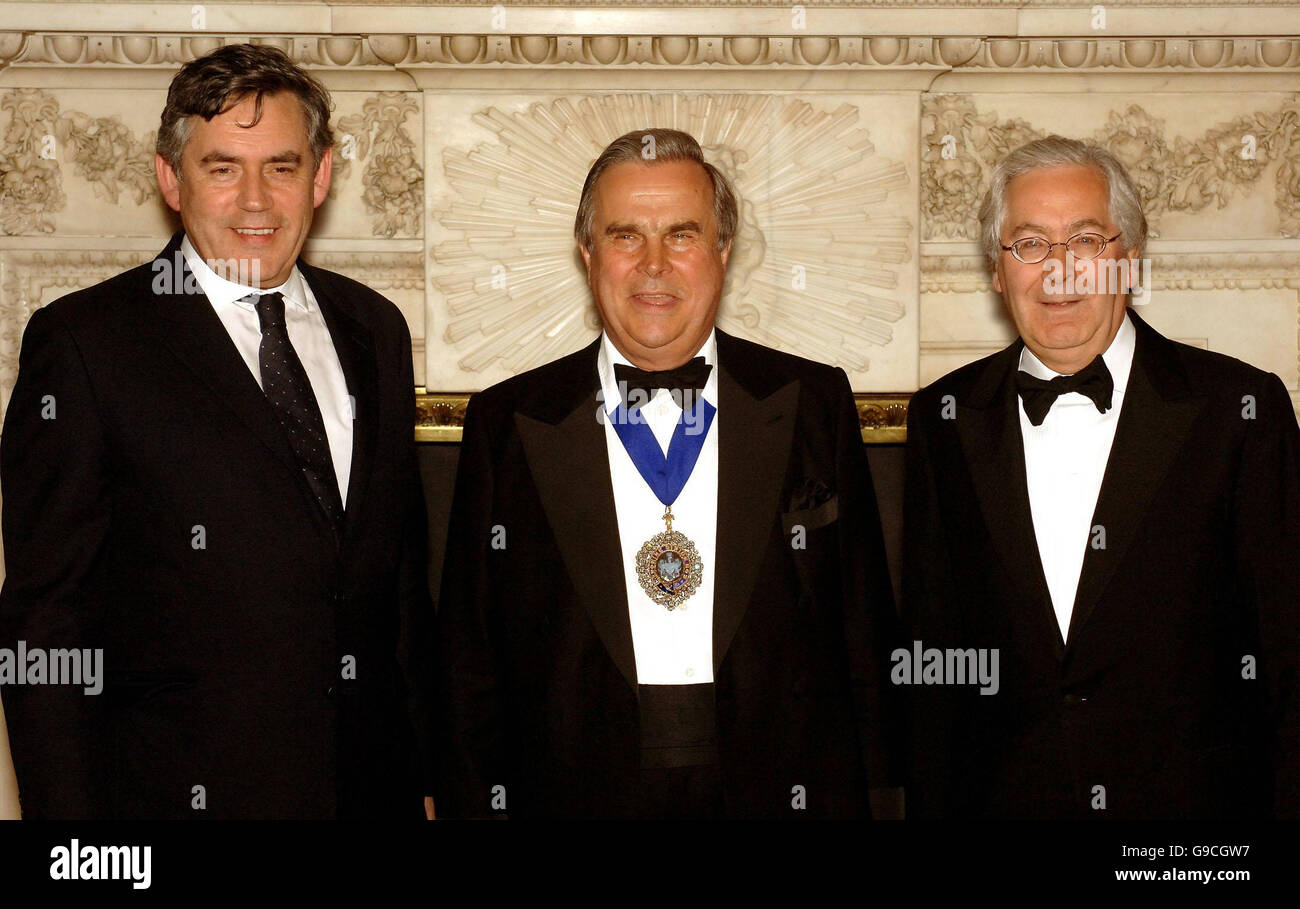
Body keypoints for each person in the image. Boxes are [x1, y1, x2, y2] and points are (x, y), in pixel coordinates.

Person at [0, 43, 433, 818]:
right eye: (223, 168)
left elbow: (398, 587)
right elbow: (47, 627)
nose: (256, 200)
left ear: (323, 174)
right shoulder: (88, 344)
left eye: (283, 166)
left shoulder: (376, 330)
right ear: (171, 179)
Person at [436, 128, 901, 819]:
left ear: (723, 251)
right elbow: (468, 664)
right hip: (571, 791)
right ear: (588, 253)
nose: (654, 265)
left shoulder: (813, 402)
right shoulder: (507, 422)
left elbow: (864, 635)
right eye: (626, 236)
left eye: (682, 235)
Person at [903, 136, 1299, 819]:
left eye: (1085, 240)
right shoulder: (943, 418)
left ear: (1129, 261)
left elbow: (1290, 660)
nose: (1058, 272)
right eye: (1030, 243)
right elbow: (936, 667)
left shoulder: (1240, 410)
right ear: (999, 271)